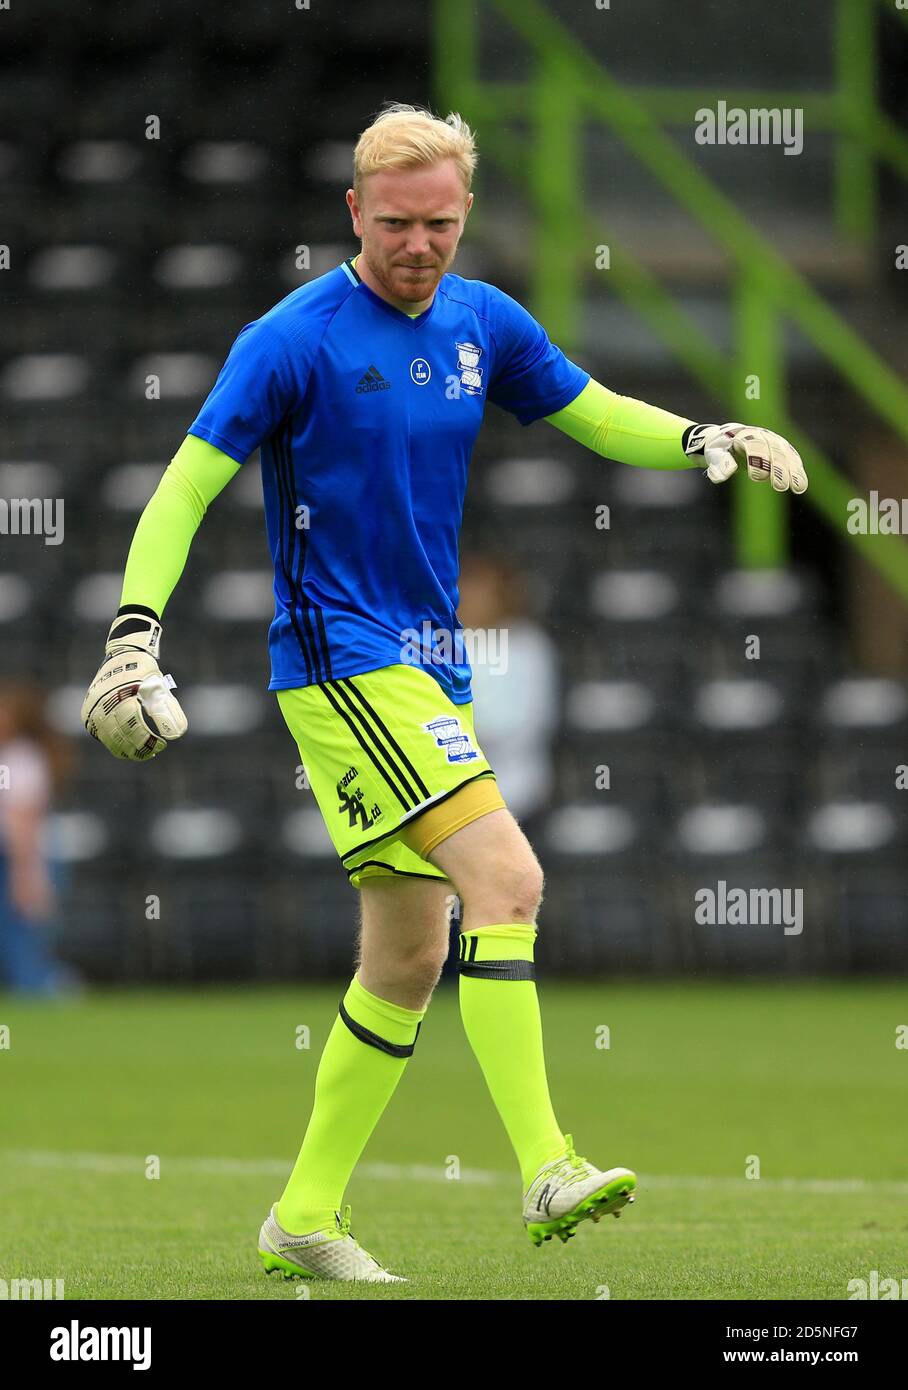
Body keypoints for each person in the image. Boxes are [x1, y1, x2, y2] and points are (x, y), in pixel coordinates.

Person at [80, 102, 808, 1283]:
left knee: (408, 959)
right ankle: (547, 1163)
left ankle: (302, 1216)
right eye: (399, 222)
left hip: (428, 662)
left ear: (463, 218)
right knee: (507, 878)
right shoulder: (291, 338)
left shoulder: (483, 319)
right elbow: (181, 488)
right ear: (353, 212)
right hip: (340, 657)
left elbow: (588, 411)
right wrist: (132, 631)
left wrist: (700, 434)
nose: (421, 244)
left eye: (444, 223)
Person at [0, 682, 75, 996]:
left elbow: (23, 825)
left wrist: (27, 875)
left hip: (26, 858)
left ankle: (56, 989)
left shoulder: (20, 759)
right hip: (16, 857)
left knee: (23, 938)